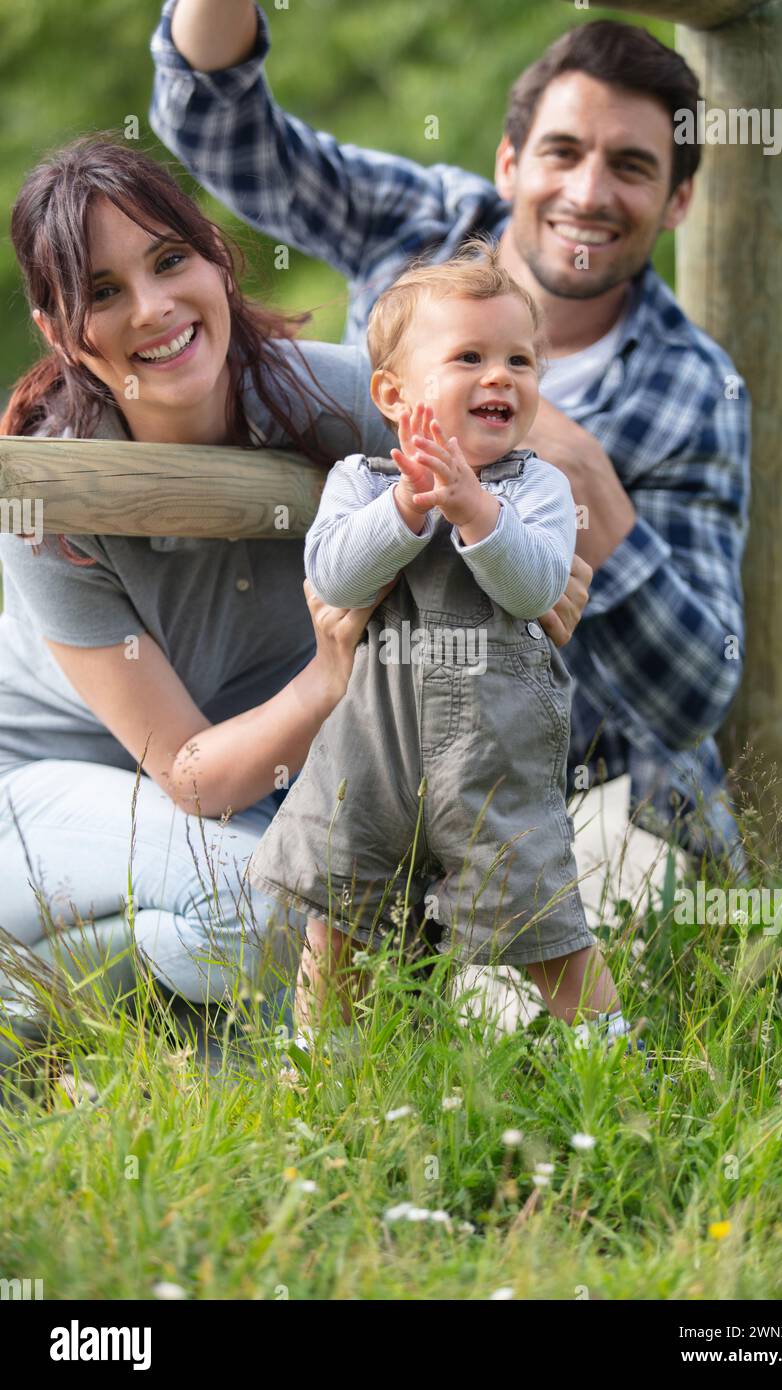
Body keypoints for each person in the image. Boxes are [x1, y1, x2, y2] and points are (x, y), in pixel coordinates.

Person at [0, 138, 587, 1030]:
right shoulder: (47, 487)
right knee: (275, 908)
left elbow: (538, 439)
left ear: (216, 258)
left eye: (169, 260)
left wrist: (550, 566)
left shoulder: (343, 394)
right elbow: (194, 781)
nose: (155, 309)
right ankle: (28, 1009)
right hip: (48, 784)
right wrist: (327, 678)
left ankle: (187, 1027)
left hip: (247, 799)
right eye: (105, 292)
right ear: (57, 332)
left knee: (356, 915)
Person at [151, 5, 751, 870]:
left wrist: (594, 494)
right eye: (562, 151)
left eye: (631, 166)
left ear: (678, 199)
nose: (587, 192)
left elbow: (696, 694)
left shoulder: (694, 389)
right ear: (510, 162)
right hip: (331, 706)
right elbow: (223, 128)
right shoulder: (420, 225)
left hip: (522, 771)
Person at [249, 241, 631, 1049]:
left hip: (493, 757)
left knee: (540, 912)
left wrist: (473, 511)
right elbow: (337, 578)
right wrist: (408, 510)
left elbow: (533, 590)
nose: (502, 377)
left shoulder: (537, 489)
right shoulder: (360, 482)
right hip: (368, 750)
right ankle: (323, 1065)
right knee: (338, 917)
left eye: (520, 360)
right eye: (470, 357)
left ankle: (612, 1058)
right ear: (393, 392)